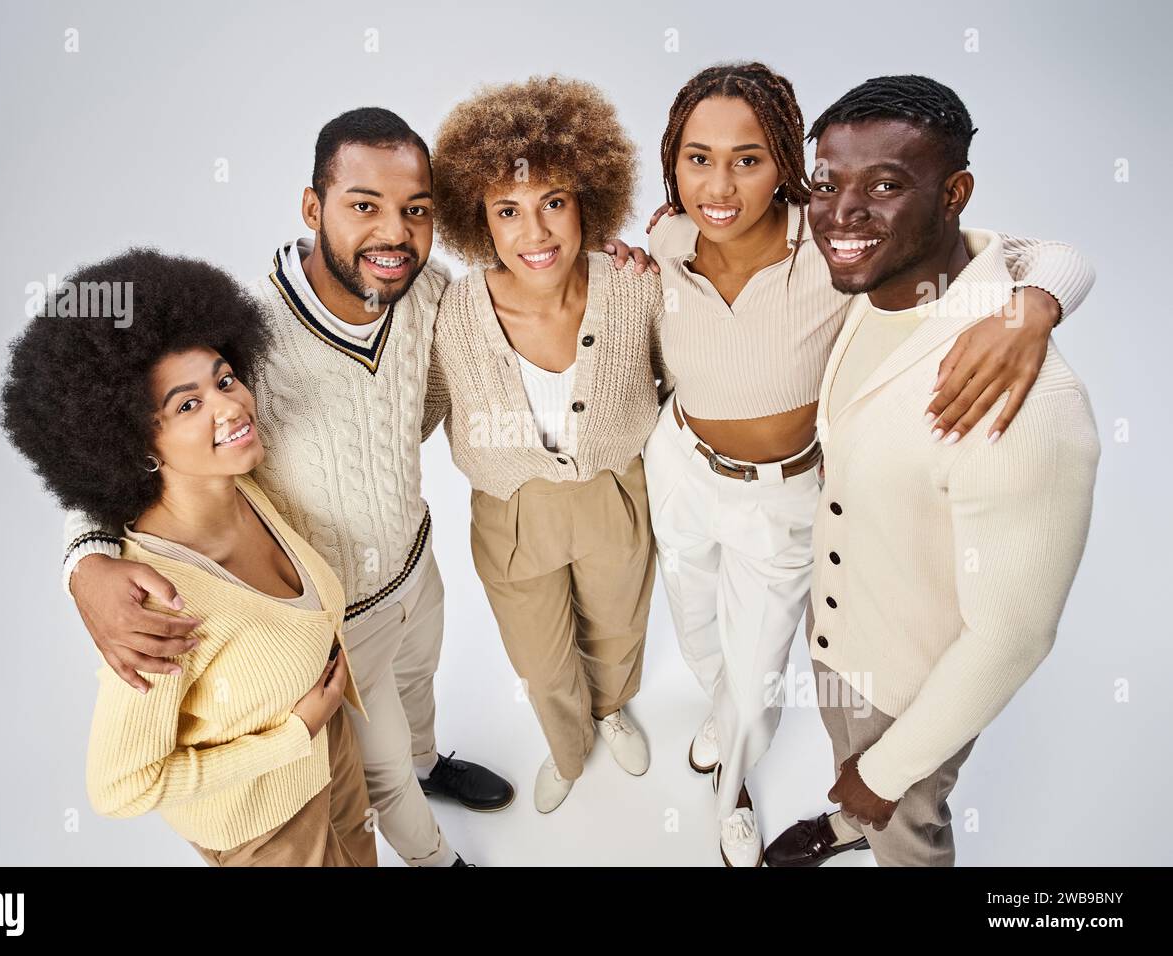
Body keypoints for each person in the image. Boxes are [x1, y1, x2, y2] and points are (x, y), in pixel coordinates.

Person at [642, 62, 1095, 866]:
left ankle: (786, 794)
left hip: (854, 600)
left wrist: (1038, 301)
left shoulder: (849, 266)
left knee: (881, 800)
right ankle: (845, 811)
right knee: (715, 641)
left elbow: (1015, 635)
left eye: (748, 158)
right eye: (697, 157)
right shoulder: (696, 243)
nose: (844, 214)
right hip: (731, 513)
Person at [59, 109, 513, 867]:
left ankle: (436, 767)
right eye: (363, 205)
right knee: (382, 767)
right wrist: (84, 560)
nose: (393, 234)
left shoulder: (427, 290)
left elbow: (514, 298)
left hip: (415, 560)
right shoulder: (245, 337)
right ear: (313, 209)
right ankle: (438, 859)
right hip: (339, 611)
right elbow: (122, 444)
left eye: (415, 210)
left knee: (419, 690)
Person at [0, 249, 377, 866]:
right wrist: (291, 736)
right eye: (187, 404)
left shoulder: (250, 485)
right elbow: (121, 788)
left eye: (224, 380)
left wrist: (321, 732)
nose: (230, 407)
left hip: (331, 754)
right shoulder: (153, 602)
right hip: (264, 824)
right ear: (132, 441)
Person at [425, 77, 670, 812]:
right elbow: (412, 413)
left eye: (553, 203)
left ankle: (611, 708)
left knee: (620, 623)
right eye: (508, 211)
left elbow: (691, 376)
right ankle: (567, 747)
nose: (535, 233)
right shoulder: (451, 313)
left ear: (587, 202)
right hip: (511, 510)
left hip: (616, 492)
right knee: (539, 652)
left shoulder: (634, 289)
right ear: (480, 220)